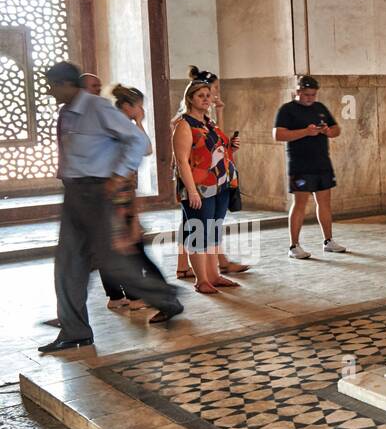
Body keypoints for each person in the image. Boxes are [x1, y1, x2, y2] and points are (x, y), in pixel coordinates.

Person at [40, 62, 182, 353]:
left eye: (52, 85)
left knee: (112, 261)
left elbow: (137, 141)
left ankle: (166, 298)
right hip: (75, 193)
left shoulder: (97, 108)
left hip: (98, 191)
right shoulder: (67, 111)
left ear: (66, 84)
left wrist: (118, 176)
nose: (49, 90)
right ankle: (75, 331)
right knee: (68, 264)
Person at [109, 85, 183, 325]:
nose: (142, 110)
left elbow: (144, 151)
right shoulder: (117, 130)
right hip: (118, 201)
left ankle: (164, 298)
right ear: (128, 106)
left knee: (135, 254)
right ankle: (155, 296)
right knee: (130, 255)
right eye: (139, 106)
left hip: (119, 201)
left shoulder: (122, 130)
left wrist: (128, 212)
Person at [176, 66, 248, 280]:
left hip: (219, 183)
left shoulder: (208, 122)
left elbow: (217, 146)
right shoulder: (184, 123)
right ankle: (202, 279)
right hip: (199, 184)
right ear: (191, 98)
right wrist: (192, 191)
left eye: (209, 94)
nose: (208, 98)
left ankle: (213, 274)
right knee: (198, 230)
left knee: (211, 229)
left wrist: (230, 148)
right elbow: (181, 159)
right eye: (202, 95)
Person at [274, 75, 346, 259]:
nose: (310, 98)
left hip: (322, 162)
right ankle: (293, 245)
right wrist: (306, 132)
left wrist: (329, 132)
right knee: (300, 204)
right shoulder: (287, 110)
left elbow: (336, 128)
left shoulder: (320, 108)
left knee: (324, 202)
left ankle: (328, 241)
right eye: (306, 95)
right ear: (298, 92)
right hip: (300, 164)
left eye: (313, 95)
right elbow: (278, 135)